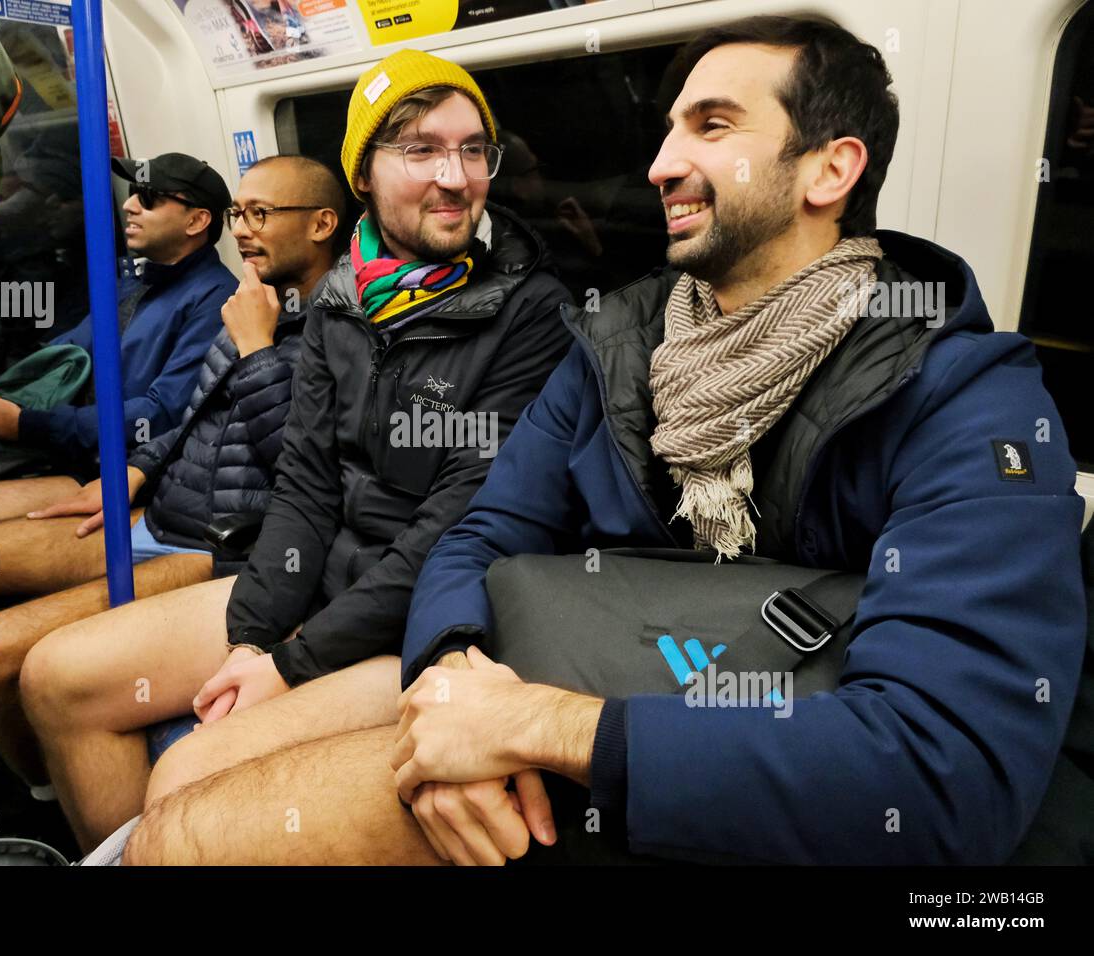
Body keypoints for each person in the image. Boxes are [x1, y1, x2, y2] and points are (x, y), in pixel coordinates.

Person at [121, 16, 1087, 866]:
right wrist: (453, 681)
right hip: (566, 689)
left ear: (830, 170)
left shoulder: (965, 396)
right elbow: (477, 535)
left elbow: (946, 767)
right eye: (668, 130)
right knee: (183, 785)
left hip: (713, 781)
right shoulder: (619, 345)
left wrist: (548, 730)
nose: (660, 163)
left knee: (182, 839)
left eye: (712, 126)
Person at [18, 50, 574, 852]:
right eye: (420, 150)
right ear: (364, 176)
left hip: (419, 619)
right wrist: (254, 635)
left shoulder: (528, 312)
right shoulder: (342, 299)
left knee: (187, 775)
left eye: (472, 150)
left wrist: (291, 663)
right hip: (316, 581)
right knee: (57, 677)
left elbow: (454, 528)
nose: (454, 177)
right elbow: (306, 485)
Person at [0, 156, 343, 788]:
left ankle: (43, 788)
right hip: (160, 506)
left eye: (259, 214)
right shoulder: (250, 302)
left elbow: (306, 473)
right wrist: (138, 467)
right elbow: (189, 417)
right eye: (239, 214)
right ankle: (34, 762)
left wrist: (256, 350)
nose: (241, 230)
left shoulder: (334, 329)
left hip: (219, 546)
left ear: (321, 224)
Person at [0, 152, 235, 540]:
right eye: (132, 193)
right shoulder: (137, 285)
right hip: (70, 444)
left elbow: (160, 414)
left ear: (196, 221)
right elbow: (52, 362)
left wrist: (26, 425)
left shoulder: (214, 299)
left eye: (149, 198)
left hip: (119, 466)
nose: (129, 205)